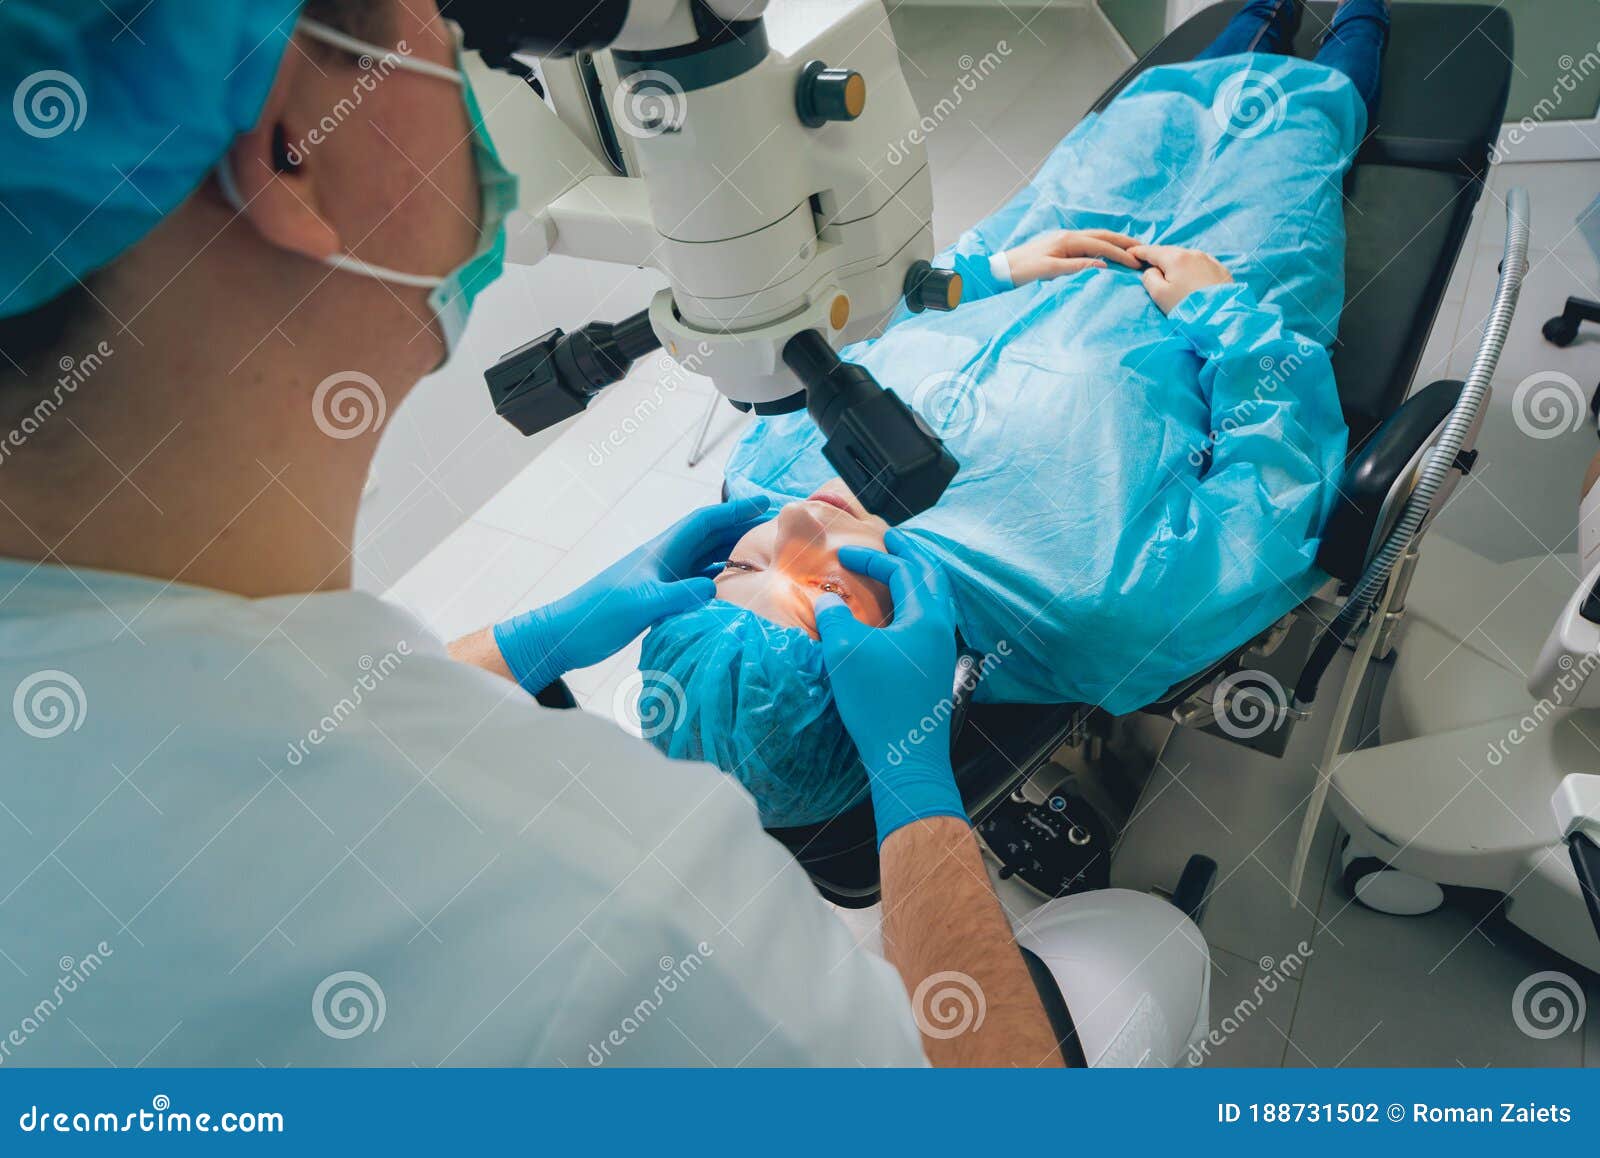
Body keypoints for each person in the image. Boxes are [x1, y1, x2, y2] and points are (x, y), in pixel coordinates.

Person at [0, 0, 1067, 1067]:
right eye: (432, 10)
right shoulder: (631, 929)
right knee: (1130, 951)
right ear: (292, 149)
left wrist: (518, 646)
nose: (471, 46)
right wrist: (918, 790)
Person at [640, 0, 1391, 828]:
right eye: (823, 591)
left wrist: (991, 270)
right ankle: (1365, 15)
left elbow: (869, 334)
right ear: (894, 676)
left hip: (1051, 237)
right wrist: (1228, 317)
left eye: (743, 571)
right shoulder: (1102, 614)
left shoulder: (764, 474)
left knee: (1159, 109)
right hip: (1220, 281)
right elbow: (1275, 487)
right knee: (1298, 122)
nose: (794, 535)